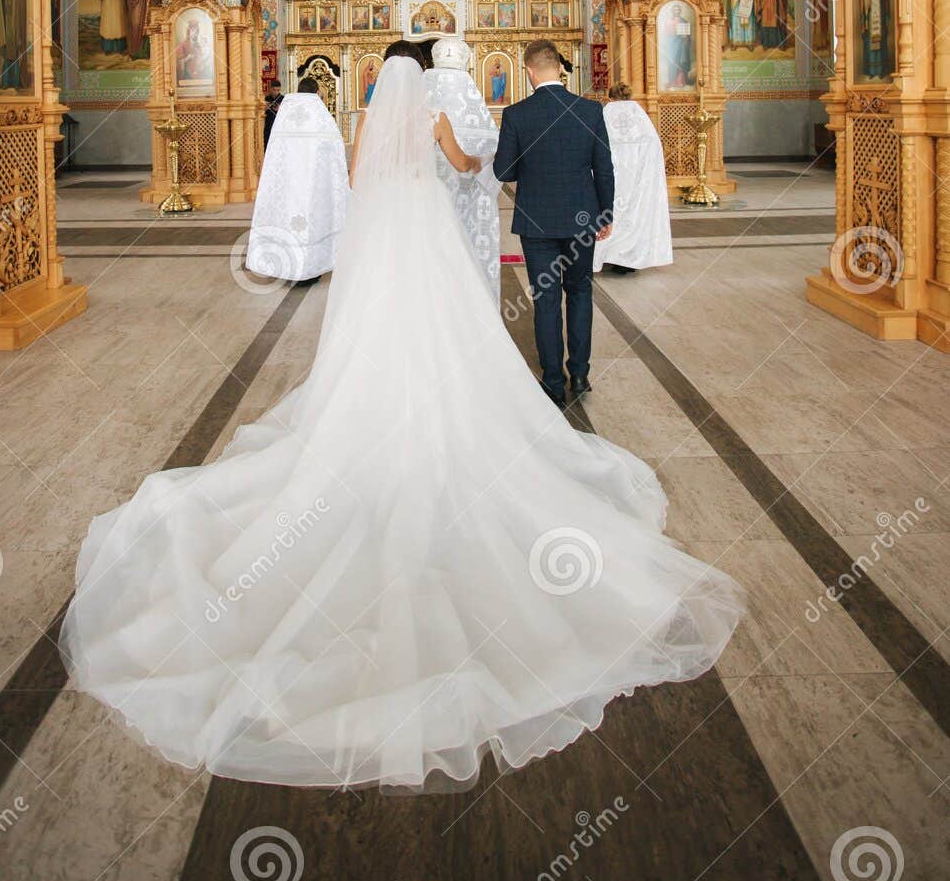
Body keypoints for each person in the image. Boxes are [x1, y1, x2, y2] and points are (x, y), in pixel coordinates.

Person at [61, 51, 742, 791]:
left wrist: (394, 184)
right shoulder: (436, 117)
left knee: (371, 335)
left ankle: (369, 406)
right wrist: (454, 147)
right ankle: (498, 393)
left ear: (379, 84)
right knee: (448, 330)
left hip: (381, 237)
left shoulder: (366, 124)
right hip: (428, 234)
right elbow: (468, 165)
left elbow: (357, 182)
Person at [493, 40, 615, 409]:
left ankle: (551, 381)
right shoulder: (590, 110)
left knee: (546, 300)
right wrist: (605, 213)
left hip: (537, 221)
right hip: (582, 218)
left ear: (529, 71)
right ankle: (579, 373)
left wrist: (529, 169)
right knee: (580, 291)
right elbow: (604, 168)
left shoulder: (517, 114)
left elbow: (503, 170)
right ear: (560, 68)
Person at [246, 79, 349, 286]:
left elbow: (274, 153)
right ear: (317, 92)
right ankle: (311, 267)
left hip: (289, 183)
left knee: (288, 221)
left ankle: (287, 265)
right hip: (313, 184)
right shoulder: (321, 117)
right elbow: (335, 150)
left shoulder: (285, 117)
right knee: (313, 223)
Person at [424, 36, 501, 298]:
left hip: (425, 197)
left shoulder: (421, 102)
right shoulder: (472, 98)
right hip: (469, 197)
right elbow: (494, 152)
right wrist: (478, 162)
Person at [593, 85, 673, 277]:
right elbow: (653, 147)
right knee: (635, 214)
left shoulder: (604, 113)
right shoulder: (640, 116)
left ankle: (605, 255)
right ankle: (628, 259)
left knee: (609, 211)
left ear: (609, 97)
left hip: (610, 176)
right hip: (637, 177)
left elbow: (593, 145)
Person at [262, 78, 284, 149]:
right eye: (274, 90)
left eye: (278, 90)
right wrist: (265, 107)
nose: (276, 92)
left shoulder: (283, 99)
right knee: (267, 146)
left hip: (279, 127)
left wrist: (280, 109)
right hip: (268, 126)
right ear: (270, 89)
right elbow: (261, 113)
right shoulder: (266, 99)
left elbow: (287, 114)